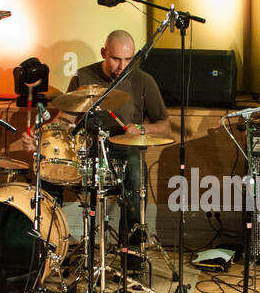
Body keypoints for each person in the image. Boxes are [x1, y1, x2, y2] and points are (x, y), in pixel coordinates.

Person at [28, 31, 170, 259]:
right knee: (47, 174)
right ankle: (51, 248)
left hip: (123, 151)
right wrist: (44, 136)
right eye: (116, 59)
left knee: (136, 170)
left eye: (128, 59)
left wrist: (142, 129)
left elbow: (165, 126)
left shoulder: (144, 81)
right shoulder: (84, 76)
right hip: (86, 149)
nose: (122, 66)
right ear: (104, 53)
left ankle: (130, 250)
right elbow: (67, 117)